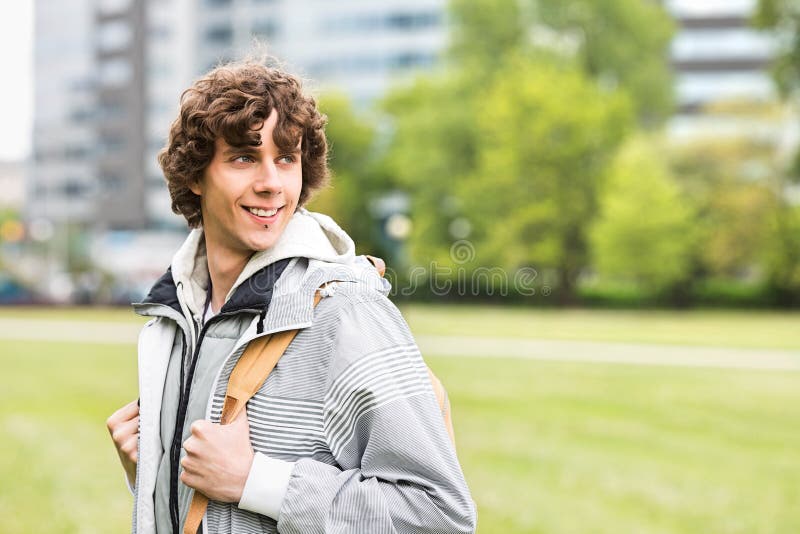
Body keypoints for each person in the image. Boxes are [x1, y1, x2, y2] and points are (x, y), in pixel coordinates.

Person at [105, 57, 476, 534]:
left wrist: (255, 480)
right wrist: (151, 473)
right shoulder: (174, 318)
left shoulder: (347, 313)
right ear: (195, 176)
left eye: (286, 158)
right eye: (243, 157)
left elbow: (439, 514)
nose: (271, 183)